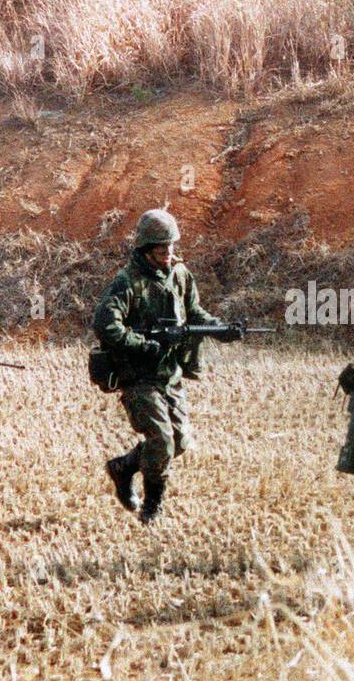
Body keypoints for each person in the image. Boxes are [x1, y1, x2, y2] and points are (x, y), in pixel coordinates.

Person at [93, 209, 244, 524]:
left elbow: (194, 313)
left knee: (179, 441)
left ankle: (124, 467)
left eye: (171, 246)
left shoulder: (180, 275)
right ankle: (152, 507)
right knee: (161, 440)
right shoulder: (127, 281)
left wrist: (220, 329)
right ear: (146, 249)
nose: (168, 253)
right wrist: (141, 344)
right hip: (138, 376)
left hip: (169, 373)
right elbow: (106, 324)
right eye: (162, 248)